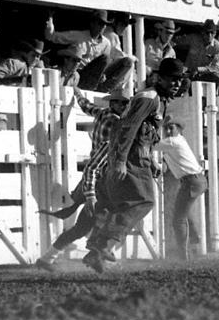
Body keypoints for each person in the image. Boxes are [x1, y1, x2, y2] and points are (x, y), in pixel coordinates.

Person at [80, 58, 188, 273]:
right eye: (172, 79)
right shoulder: (149, 98)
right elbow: (126, 128)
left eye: (179, 80)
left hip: (138, 156)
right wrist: (119, 161)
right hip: (131, 158)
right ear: (160, 78)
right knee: (142, 201)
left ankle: (97, 251)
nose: (176, 83)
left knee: (123, 202)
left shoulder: (158, 99)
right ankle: (103, 244)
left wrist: (153, 161)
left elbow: (146, 133)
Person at [36, 90, 129, 270]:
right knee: (115, 213)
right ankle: (97, 249)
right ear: (114, 104)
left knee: (83, 226)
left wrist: (77, 93)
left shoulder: (102, 113)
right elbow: (100, 159)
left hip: (94, 175)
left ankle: (48, 258)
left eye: (125, 104)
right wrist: (91, 195)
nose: (125, 107)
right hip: (101, 178)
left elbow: (86, 105)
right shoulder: (116, 123)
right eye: (122, 104)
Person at [43, 9, 134, 94]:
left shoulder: (106, 43)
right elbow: (52, 36)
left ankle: (104, 90)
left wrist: (103, 74)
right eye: (99, 23)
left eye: (104, 24)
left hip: (97, 78)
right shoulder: (79, 36)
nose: (101, 27)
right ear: (92, 23)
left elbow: (104, 65)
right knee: (105, 59)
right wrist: (50, 19)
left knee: (127, 62)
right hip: (78, 75)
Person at [156, 118, 207, 259]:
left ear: (179, 129)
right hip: (196, 180)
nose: (168, 131)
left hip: (191, 181)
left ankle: (183, 254)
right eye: (166, 128)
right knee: (184, 211)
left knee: (178, 218)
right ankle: (194, 239)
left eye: (171, 128)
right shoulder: (178, 141)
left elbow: (151, 145)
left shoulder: (172, 142)